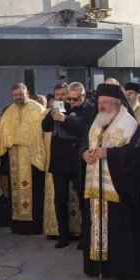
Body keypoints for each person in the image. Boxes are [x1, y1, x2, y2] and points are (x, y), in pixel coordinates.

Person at [81, 84, 140, 280]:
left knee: (120, 229)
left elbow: (136, 155)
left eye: (106, 103)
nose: (101, 106)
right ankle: (97, 266)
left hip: (120, 189)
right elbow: (85, 144)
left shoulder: (130, 124)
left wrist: (109, 154)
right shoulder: (97, 122)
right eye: (99, 103)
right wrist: (84, 154)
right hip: (96, 188)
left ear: (118, 104)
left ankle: (121, 269)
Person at [42, 82, 94, 248]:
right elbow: (46, 127)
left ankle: (84, 237)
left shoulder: (90, 109)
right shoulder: (60, 106)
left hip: (77, 159)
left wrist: (64, 120)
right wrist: (52, 112)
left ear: (83, 96)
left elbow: (84, 132)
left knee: (83, 200)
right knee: (60, 199)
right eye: (68, 98)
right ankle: (63, 236)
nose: (70, 101)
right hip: (59, 159)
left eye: (73, 99)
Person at [0, 84, 48, 235]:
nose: (18, 97)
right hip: (14, 158)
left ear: (27, 93)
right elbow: (2, 134)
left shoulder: (38, 109)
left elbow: (43, 134)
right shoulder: (9, 112)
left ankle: (35, 226)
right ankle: (17, 226)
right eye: (15, 95)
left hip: (32, 158)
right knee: (15, 191)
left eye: (20, 94)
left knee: (35, 192)